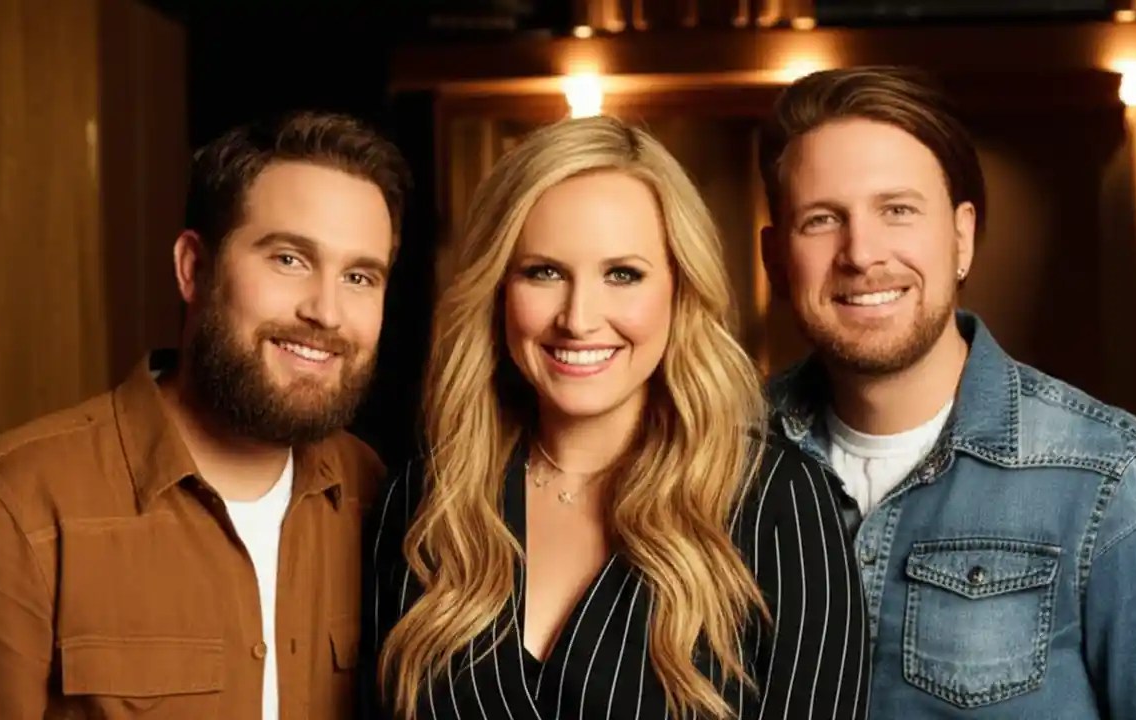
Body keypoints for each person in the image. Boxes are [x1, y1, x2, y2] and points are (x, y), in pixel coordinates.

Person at [758, 66, 1136, 717]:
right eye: (820, 220)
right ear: (776, 260)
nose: (861, 252)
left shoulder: (1116, 483)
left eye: (897, 210)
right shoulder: (710, 462)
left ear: (961, 237)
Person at [364, 116, 869, 720]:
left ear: (680, 290)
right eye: (543, 272)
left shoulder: (778, 505)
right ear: (498, 289)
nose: (579, 318)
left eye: (622, 274)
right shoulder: (420, 506)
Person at [0, 110, 410, 719]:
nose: (326, 312)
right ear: (194, 268)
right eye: (289, 260)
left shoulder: (373, 492)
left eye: (359, 276)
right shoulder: (17, 503)